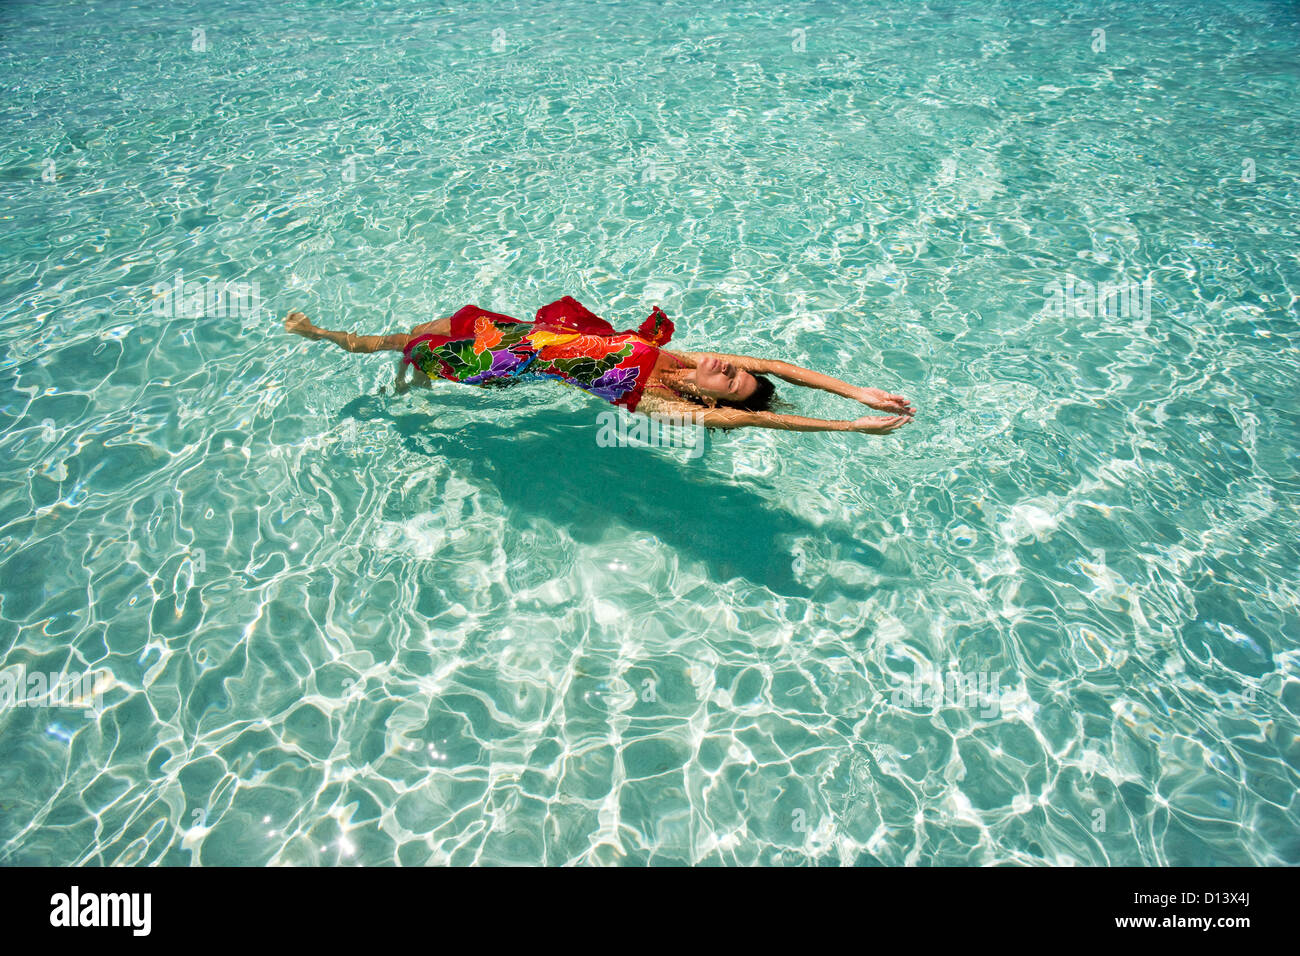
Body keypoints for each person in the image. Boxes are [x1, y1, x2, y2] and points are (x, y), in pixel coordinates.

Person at [284, 296, 915, 434]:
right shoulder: (683, 360)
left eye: (728, 378)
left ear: (710, 402)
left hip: (503, 361)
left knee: (408, 344)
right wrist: (857, 392)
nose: (725, 362)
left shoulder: (661, 405)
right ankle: (403, 368)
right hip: (528, 335)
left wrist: (846, 429)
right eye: (732, 366)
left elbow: (761, 422)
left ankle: (326, 337)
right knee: (428, 327)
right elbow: (780, 365)